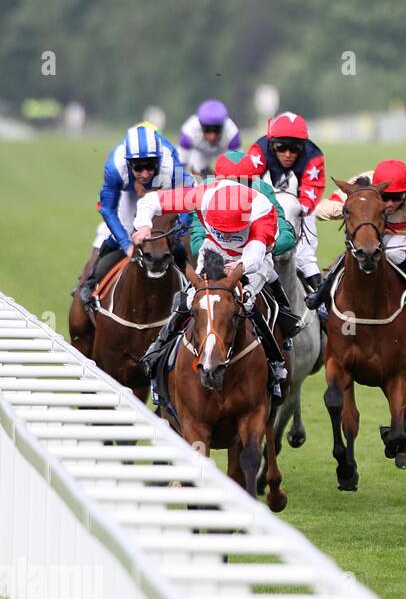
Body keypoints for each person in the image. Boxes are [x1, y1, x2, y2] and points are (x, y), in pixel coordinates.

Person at [135, 180, 289, 401]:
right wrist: (143, 225)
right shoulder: (201, 196)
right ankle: (158, 349)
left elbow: (255, 254)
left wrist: (239, 267)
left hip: (253, 257)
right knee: (190, 300)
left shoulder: (262, 210)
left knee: (246, 301)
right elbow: (150, 201)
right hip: (214, 250)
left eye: (232, 230)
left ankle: (275, 361)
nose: (227, 235)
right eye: (223, 230)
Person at [308, 159, 406, 328]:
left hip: (401, 234)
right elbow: (321, 209)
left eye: (396, 198)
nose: (389, 204)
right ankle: (322, 295)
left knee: (394, 254)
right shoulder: (362, 183)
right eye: (385, 197)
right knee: (355, 250)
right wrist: (355, 209)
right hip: (371, 231)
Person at [77, 124, 193, 306]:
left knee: (170, 238)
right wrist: (125, 243)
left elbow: (187, 200)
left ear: (159, 161)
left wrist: (176, 234)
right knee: (121, 234)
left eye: (150, 166)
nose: (145, 174)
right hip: (128, 191)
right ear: (128, 163)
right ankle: (92, 280)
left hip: (161, 189)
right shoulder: (115, 167)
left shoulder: (170, 164)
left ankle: (190, 286)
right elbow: (107, 210)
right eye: (138, 168)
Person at [189, 149, 302, 337]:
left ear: (252, 182)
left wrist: (264, 248)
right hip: (216, 261)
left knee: (270, 283)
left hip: (253, 259)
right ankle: (161, 344)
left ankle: (281, 343)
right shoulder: (204, 193)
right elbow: (197, 238)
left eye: (243, 183)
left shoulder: (262, 191)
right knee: (185, 299)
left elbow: (286, 233)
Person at [245, 111, 327, 293]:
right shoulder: (259, 150)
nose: (288, 154)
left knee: (305, 255)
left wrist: (290, 223)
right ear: (271, 144)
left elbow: (308, 199)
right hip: (265, 198)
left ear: (303, 147)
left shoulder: (314, 156)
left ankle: (321, 303)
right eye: (281, 147)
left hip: (297, 203)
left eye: (295, 148)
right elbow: (246, 187)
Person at [178, 100, 240, 176]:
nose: (212, 137)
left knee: (229, 175)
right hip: (200, 153)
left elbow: (238, 165)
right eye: (207, 130)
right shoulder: (188, 132)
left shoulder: (232, 134)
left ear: (223, 125)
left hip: (224, 152)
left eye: (217, 130)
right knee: (198, 174)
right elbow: (181, 163)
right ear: (200, 124)